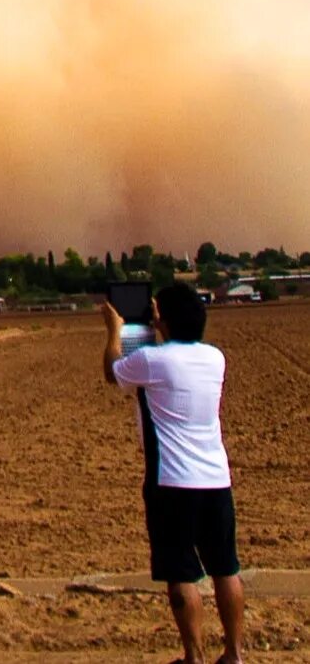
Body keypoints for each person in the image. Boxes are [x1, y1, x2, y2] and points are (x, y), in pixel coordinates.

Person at [100, 283, 244, 664]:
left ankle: (193, 656)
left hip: (172, 482)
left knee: (181, 572)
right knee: (226, 567)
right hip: (216, 478)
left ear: (162, 316)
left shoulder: (152, 362)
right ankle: (234, 653)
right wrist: (159, 322)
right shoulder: (215, 358)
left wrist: (116, 328)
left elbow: (113, 372)